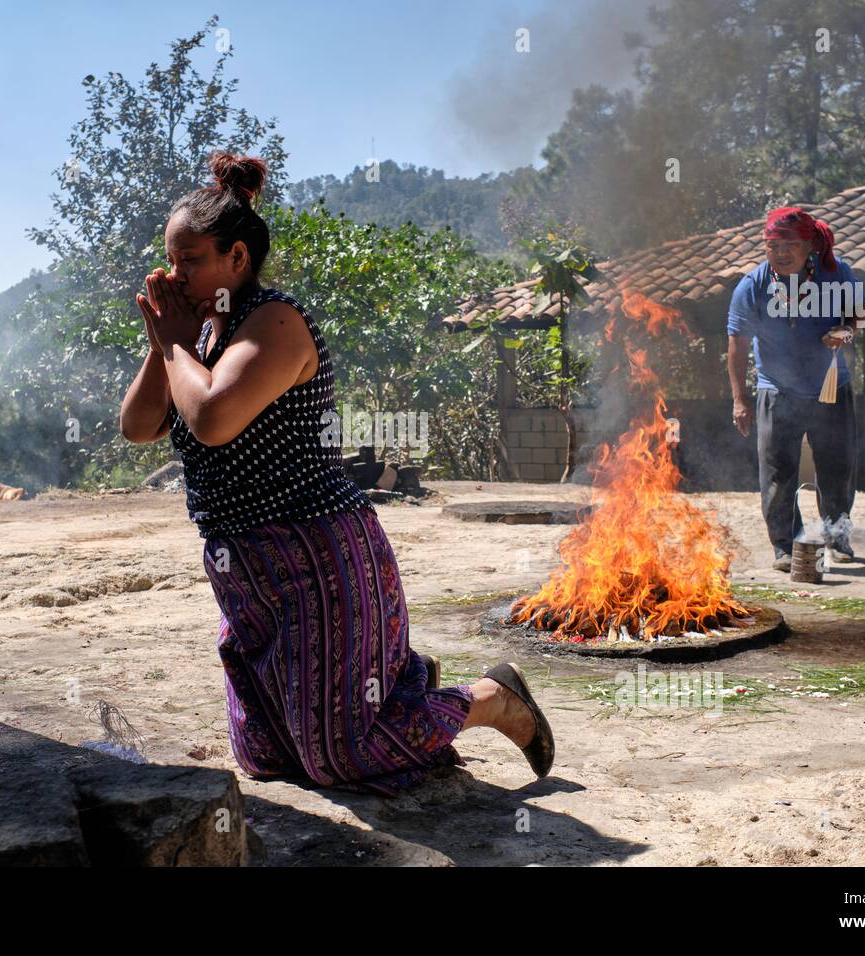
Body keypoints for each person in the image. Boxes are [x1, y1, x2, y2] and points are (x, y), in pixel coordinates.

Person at [119, 150, 555, 795]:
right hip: (242, 565)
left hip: (315, 556)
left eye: (190, 260)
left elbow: (212, 419)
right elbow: (139, 426)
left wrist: (175, 344)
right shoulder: (198, 338)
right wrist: (168, 345)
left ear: (236, 259)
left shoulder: (275, 323)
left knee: (343, 759)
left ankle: (491, 697)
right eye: (170, 260)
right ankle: (399, 678)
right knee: (266, 756)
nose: (173, 274)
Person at [727, 207, 864, 571]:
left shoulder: (838, 273)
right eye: (772, 244)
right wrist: (740, 399)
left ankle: (838, 537)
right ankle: (786, 546)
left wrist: (844, 332)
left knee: (838, 467)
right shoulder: (752, 286)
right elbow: (737, 346)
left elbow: (856, 318)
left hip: (830, 389)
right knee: (777, 473)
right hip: (777, 391)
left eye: (790, 244)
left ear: (809, 246)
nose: (781, 252)